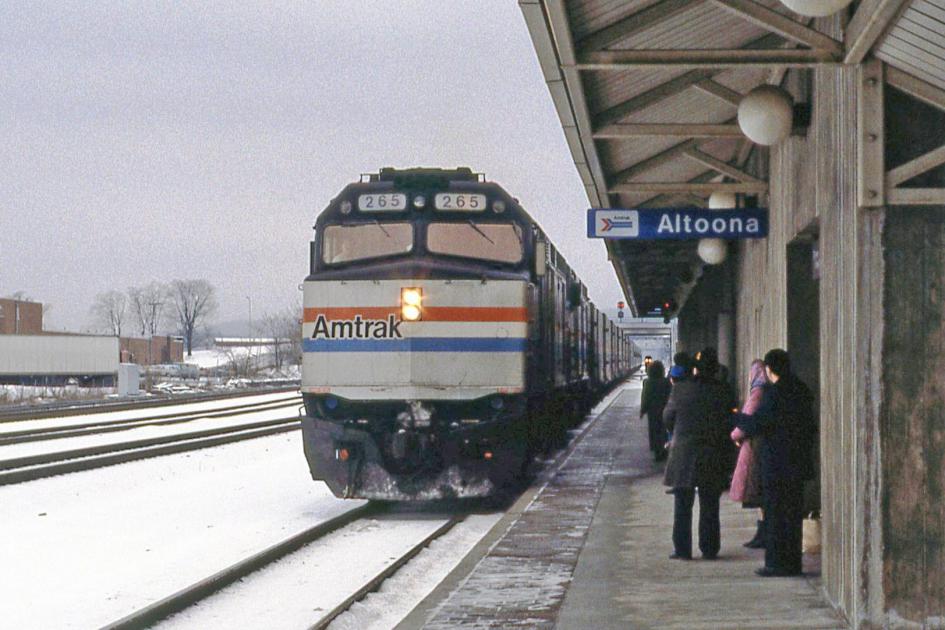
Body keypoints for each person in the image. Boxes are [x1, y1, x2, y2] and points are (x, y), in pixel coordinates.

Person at [734, 349, 816, 577]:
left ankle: (776, 564)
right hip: (798, 462)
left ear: (769, 369)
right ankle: (793, 564)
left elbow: (758, 424)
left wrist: (735, 417)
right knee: (792, 516)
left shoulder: (774, 394)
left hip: (777, 464)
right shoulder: (801, 389)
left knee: (775, 516)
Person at [662, 348, 736, 560]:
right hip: (713, 452)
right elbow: (729, 420)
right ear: (715, 369)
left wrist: (679, 432)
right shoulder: (723, 390)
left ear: (695, 369)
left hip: (684, 453)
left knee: (682, 504)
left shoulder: (680, 389)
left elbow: (668, 418)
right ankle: (709, 548)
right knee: (710, 503)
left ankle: (682, 549)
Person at [729, 360, 769, 548]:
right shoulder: (767, 390)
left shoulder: (757, 392)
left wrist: (734, 435)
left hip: (754, 447)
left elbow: (748, 418)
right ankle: (763, 532)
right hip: (761, 446)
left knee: (757, 493)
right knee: (760, 493)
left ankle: (763, 533)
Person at [640, 360, 671, 462]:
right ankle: (664, 449)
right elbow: (671, 395)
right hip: (664, 409)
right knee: (664, 430)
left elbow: (645, 397)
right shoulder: (666, 382)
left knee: (654, 431)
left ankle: (657, 452)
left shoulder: (647, 382)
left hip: (653, 411)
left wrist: (643, 410)